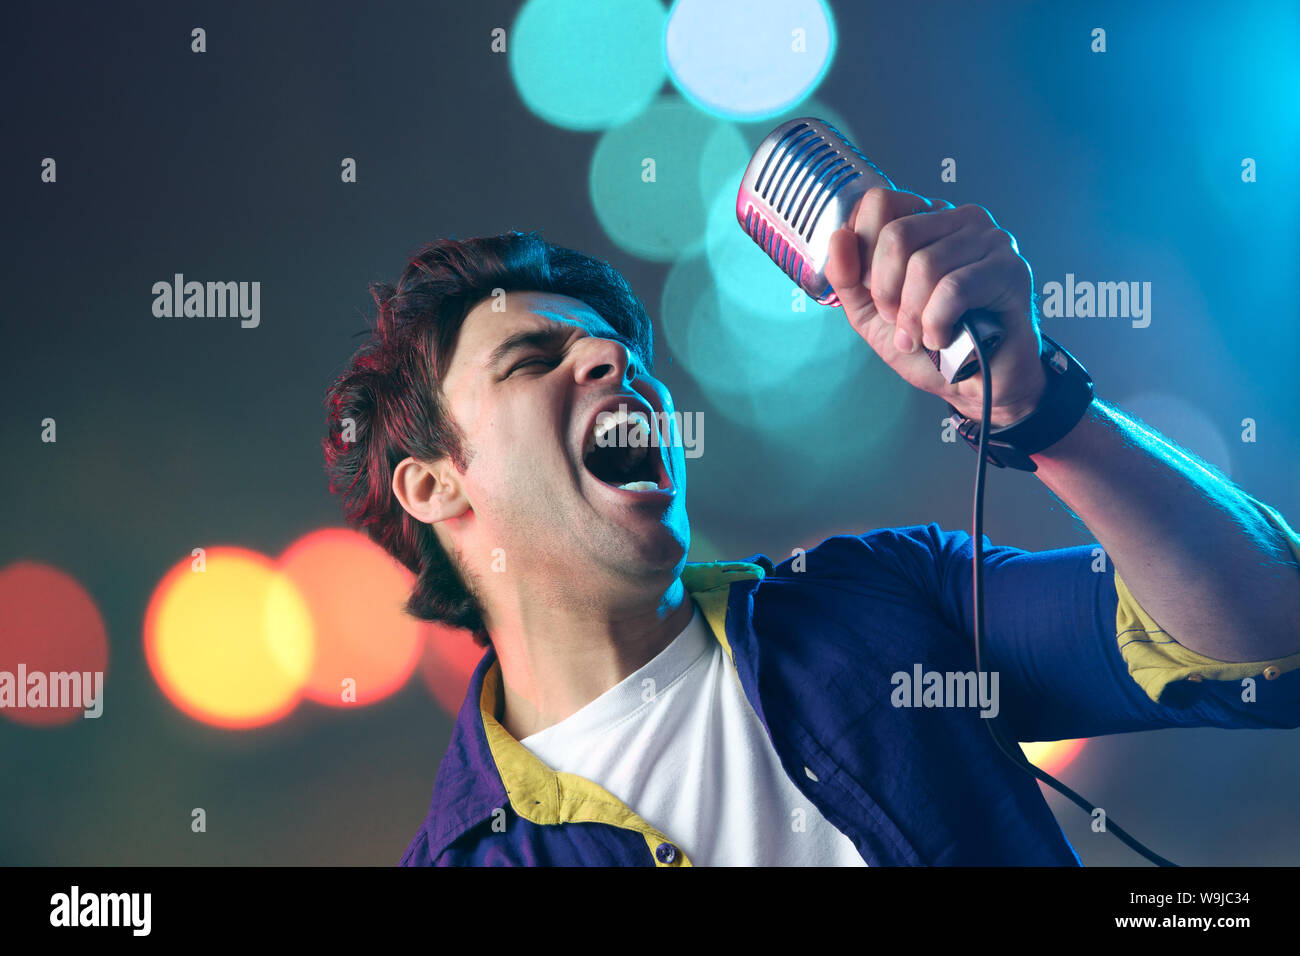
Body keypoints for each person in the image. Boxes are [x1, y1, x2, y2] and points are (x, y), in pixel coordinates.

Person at [322, 189, 1300, 866]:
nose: (613, 365)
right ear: (432, 485)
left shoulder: (881, 598)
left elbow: (1273, 635)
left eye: (620, 349)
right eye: (534, 357)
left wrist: (1040, 402)